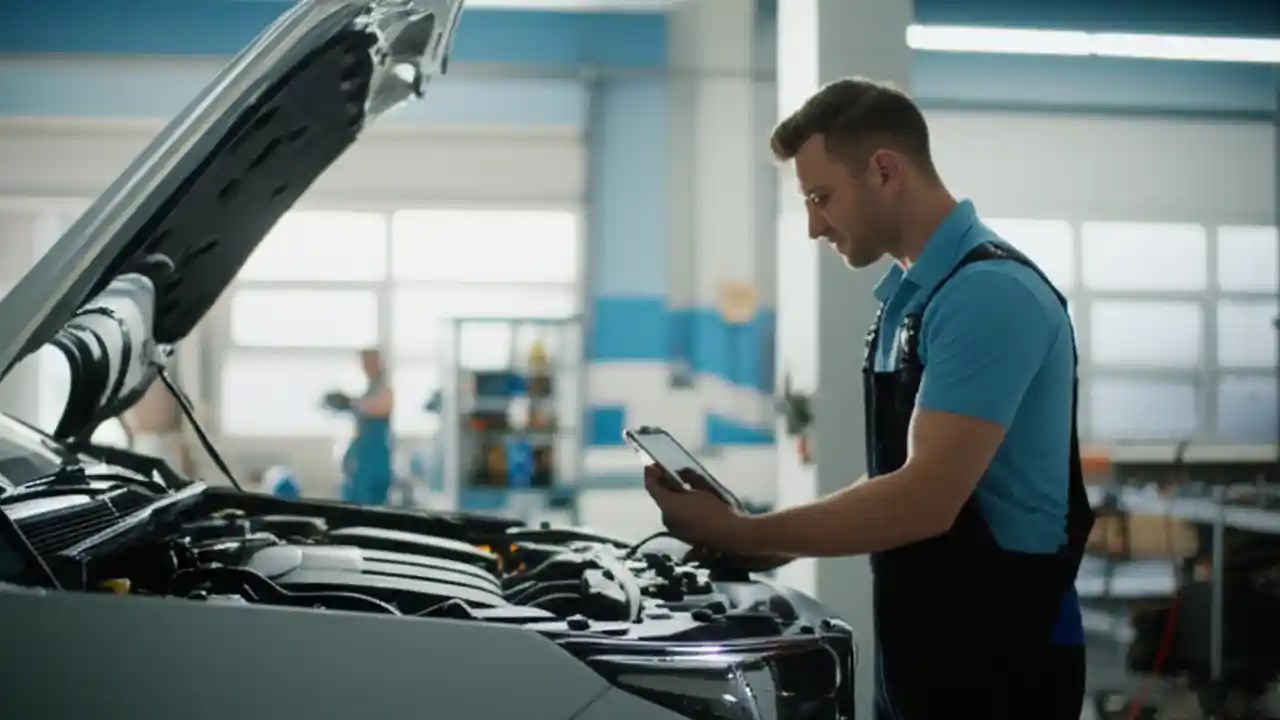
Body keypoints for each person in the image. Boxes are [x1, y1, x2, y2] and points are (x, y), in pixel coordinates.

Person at [643, 77, 1094, 719]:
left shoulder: (990, 296)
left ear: (885, 170)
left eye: (821, 197)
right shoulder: (910, 302)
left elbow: (925, 499)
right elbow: (900, 473)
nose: (812, 226)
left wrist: (746, 528)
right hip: (925, 651)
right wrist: (765, 543)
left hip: (1004, 660)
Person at [329, 348, 395, 506]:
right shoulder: (368, 391)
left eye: (369, 362)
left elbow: (381, 406)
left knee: (373, 505)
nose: (366, 367)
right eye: (364, 363)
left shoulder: (384, 391)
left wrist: (352, 403)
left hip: (375, 460)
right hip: (362, 460)